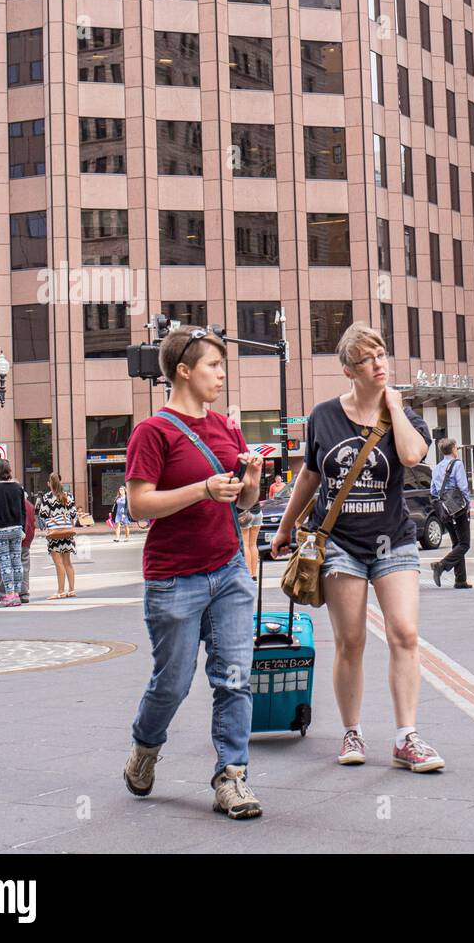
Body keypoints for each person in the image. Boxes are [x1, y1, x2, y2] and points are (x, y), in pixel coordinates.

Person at [272, 323, 444, 774]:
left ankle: (407, 736)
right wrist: (285, 528)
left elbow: (411, 456)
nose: (379, 363)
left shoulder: (404, 415)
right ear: (349, 370)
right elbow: (310, 476)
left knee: (404, 633)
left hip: (394, 540)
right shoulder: (324, 416)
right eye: (367, 359)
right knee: (351, 640)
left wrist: (395, 409)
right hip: (340, 544)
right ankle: (352, 730)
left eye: (382, 354)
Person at [123, 324, 266, 819]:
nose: (222, 375)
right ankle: (145, 746)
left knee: (234, 678)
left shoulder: (227, 427)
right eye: (213, 366)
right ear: (183, 371)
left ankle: (232, 777)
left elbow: (242, 502)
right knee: (173, 683)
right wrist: (202, 489)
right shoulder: (153, 431)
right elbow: (140, 505)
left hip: (228, 569)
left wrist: (249, 483)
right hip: (173, 577)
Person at [430, 438, 473, 590]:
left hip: (443, 506)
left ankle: (460, 579)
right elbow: (462, 485)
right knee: (465, 543)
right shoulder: (457, 464)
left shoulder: (436, 467)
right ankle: (441, 565)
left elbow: (433, 491)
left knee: (456, 542)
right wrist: (468, 503)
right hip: (457, 505)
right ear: (454, 449)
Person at [0, 459, 27, 608]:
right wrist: (23, 529)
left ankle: (8, 595)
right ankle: (16, 594)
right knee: (16, 562)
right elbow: (23, 510)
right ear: (9, 472)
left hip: (1, 530)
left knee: (5, 564)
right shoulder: (17, 488)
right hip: (16, 529)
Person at [40, 474, 79, 599]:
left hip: (54, 533)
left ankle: (60, 591)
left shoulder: (47, 497)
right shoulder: (69, 496)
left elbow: (43, 514)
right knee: (67, 562)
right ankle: (71, 590)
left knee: (59, 563)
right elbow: (74, 514)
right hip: (67, 532)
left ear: (49, 483)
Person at [0, 493, 36, 606]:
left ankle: (3, 593)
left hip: (14, 537)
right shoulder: (30, 505)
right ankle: (23, 593)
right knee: (24, 565)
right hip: (27, 538)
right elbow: (32, 523)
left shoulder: (13, 503)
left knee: (5, 563)